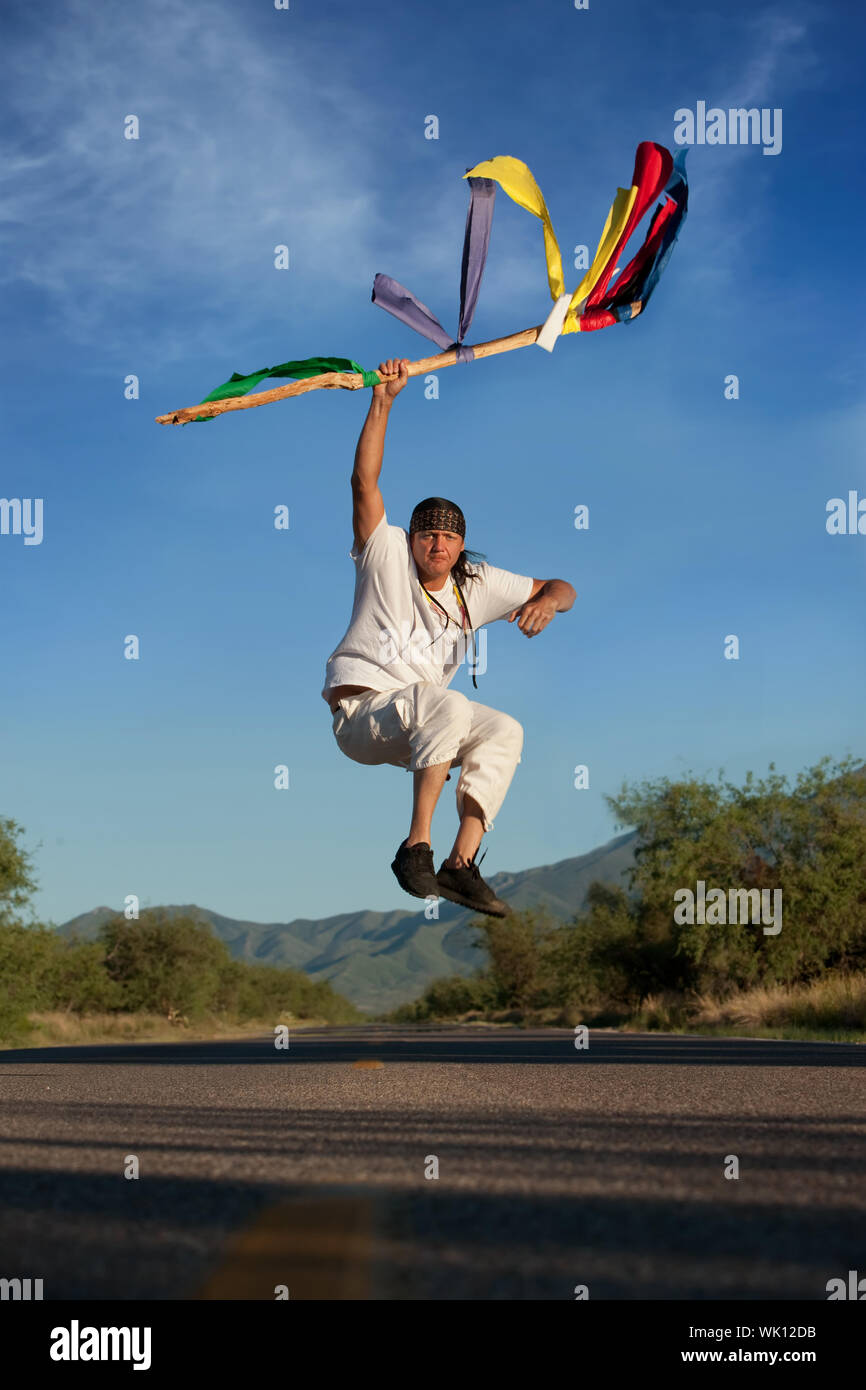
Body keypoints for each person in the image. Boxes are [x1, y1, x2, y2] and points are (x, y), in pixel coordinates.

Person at [321, 358, 576, 917]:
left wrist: (545, 604)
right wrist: (383, 400)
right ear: (411, 539)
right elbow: (365, 482)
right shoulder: (383, 553)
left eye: (448, 537)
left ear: (462, 546)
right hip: (364, 715)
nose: (437, 545)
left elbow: (562, 585)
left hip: (422, 727)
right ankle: (416, 845)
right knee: (448, 703)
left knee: (504, 729)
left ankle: (460, 866)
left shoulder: (476, 584)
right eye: (428, 535)